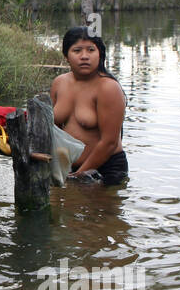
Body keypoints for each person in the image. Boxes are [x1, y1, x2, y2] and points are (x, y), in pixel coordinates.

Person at [50, 26, 128, 185]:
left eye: (91, 50)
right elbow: (53, 131)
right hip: (70, 169)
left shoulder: (108, 88)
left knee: (100, 209)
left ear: (100, 54)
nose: (84, 56)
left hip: (106, 170)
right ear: (66, 55)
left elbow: (109, 142)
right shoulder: (59, 83)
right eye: (77, 50)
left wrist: (79, 175)